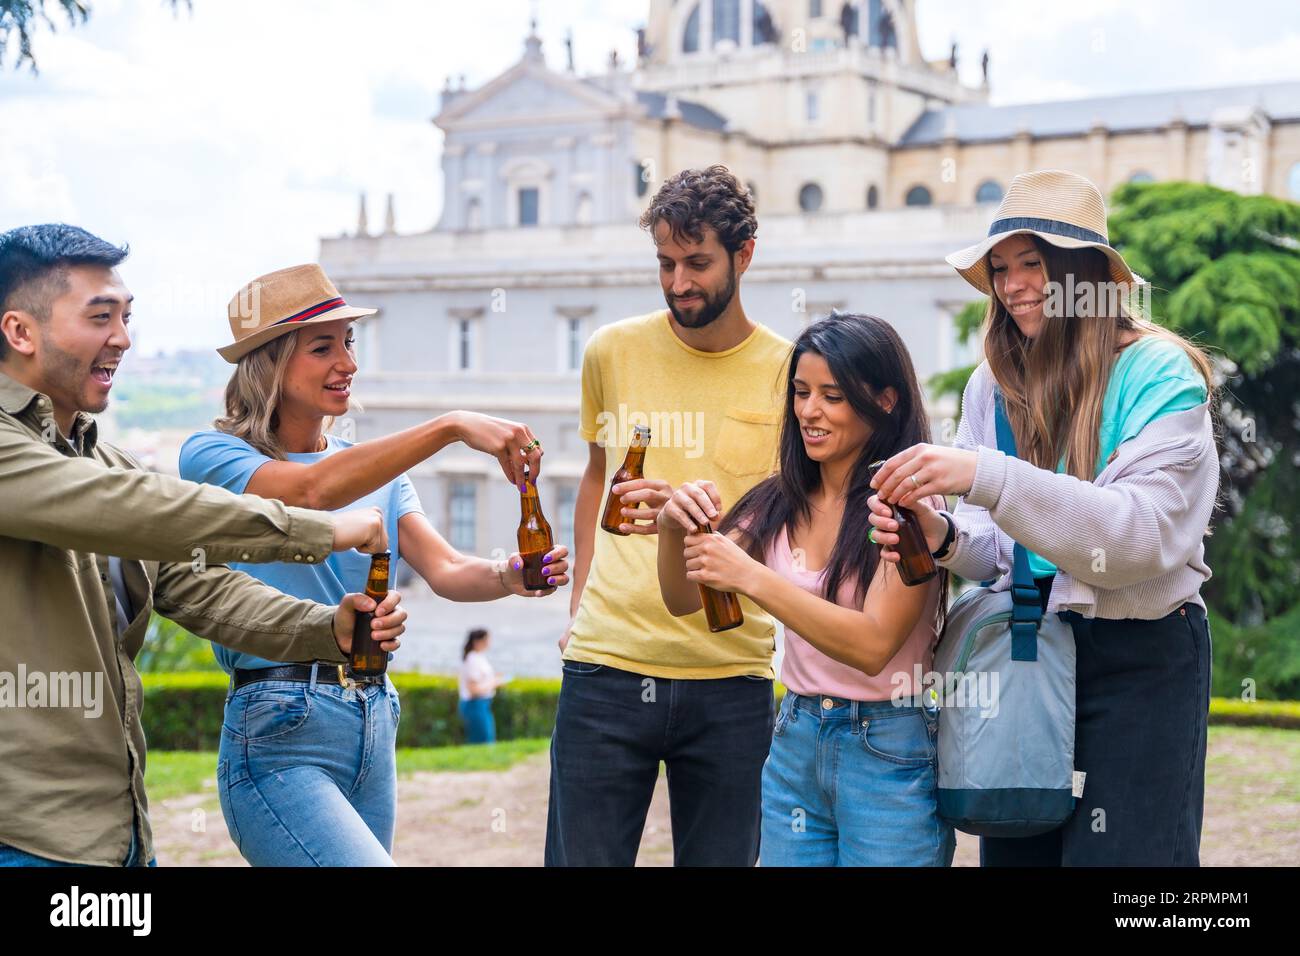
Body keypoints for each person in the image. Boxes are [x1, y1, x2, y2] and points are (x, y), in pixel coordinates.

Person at [0, 224, 405, 868]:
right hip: (22, 836)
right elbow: (130, 511)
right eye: (100, 317)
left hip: (115, 831)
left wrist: (327, 627)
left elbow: (196, 584)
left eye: (127, 317)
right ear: (20, 332)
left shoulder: (108, 461)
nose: (123, 339)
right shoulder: (31, 457)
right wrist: (319, 528)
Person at [868, 169, 1218, 866]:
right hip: (1027, 648)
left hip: (1141, 661)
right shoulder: (991, 386)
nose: (1013, 284)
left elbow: (1135, 539)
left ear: (1084, 272)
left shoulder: (1160, 375)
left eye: (1034, 263)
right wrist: (941, 536)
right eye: (1000, 268)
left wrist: (985, 475)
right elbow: (1004, 554)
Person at [180, 263, 569, 866]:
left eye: (349, 342)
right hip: (278, 731)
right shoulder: (214, 456)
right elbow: (310, 494)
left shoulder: (371, 469)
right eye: (323, 347)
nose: (349, 363)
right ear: (271, 362)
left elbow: (443, 569)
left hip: (373, 715)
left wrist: (507, 576)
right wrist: (450, 425)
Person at [547, 165, 791, 867]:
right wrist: (576, 608)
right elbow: (597, 478)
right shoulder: (610, 352)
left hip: (733, 675)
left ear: (745, 254)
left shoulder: (789, 373)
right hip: (606, 666)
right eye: (665, 262)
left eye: (697, 263)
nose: (678, 282)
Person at [657, 312, 954, 866]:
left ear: (885, 400)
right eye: (800, 392)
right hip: (795, 738)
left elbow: (872, 645)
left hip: (887, 745)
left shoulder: (905, 509)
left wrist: (750, 576)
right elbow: (682, 602)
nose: (809, 411)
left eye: (832, 396)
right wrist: (675, 529)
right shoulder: (779, 500)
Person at [459, 628, 506, 744]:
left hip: (481, 704)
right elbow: (473, 689)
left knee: (487, 738)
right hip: (474, 704)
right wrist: (494, 683)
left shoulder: (478, 657)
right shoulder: (472, 659)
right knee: (482, 741)